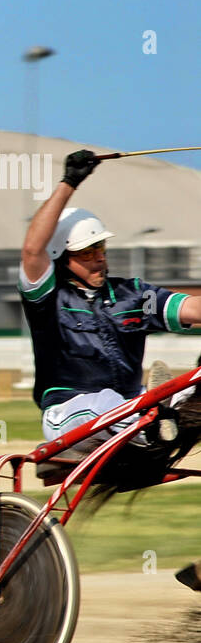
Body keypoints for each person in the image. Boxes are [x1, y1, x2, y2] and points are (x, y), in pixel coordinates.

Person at [20, 148, 201, 591]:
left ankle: (157, 418)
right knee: (109, 403)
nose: (100, 257)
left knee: (189, 386)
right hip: (70, 417)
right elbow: (30, 248)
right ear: (64, 256)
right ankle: (153, 419)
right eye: (88, 250)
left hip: (131, 412)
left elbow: (192, 308)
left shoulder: (131, 293)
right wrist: (70, 183)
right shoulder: (47, 299)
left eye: (101, 247)